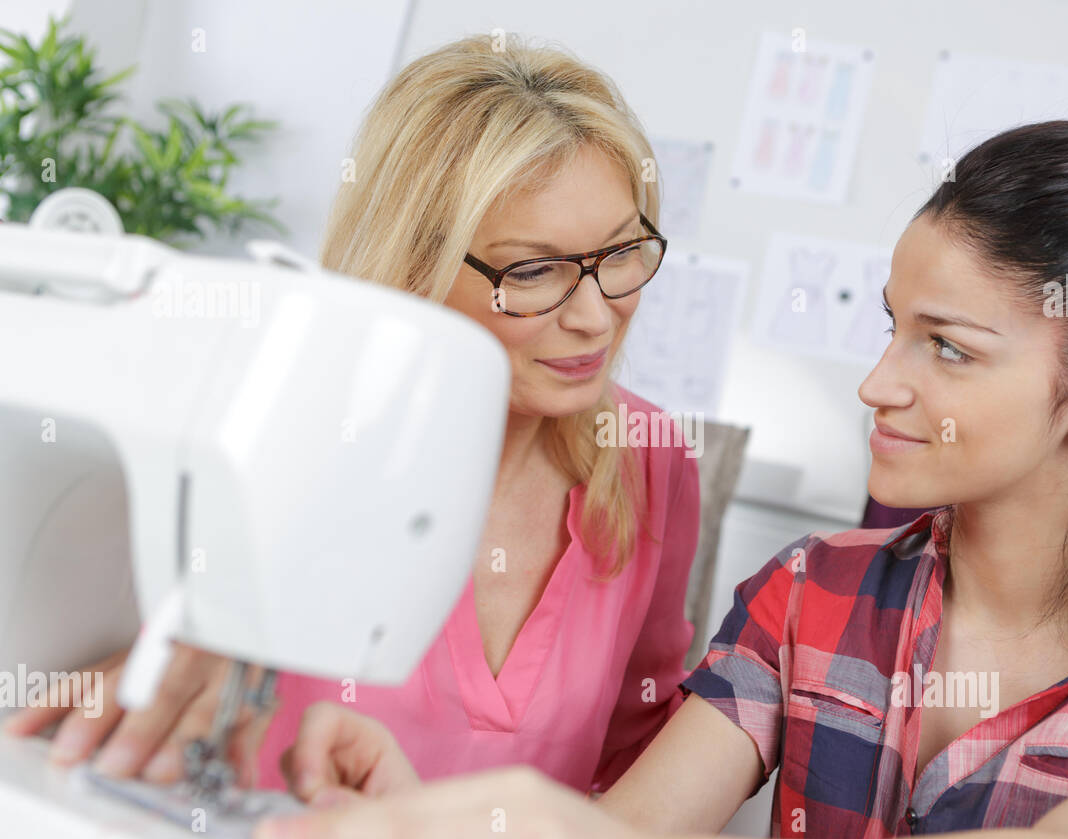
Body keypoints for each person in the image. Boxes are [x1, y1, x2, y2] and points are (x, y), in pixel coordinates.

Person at [252, 121, 1068, 839]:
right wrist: (436, 829)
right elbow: (623, 837)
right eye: (892, 325)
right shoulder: (806, 596)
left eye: (946, 346)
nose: (877, 382)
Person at [5, 34, 700, 799]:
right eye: (534, 271)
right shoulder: (281, 438)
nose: (597, 319)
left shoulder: (649, 454)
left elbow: (639, 754)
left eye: (623, 252)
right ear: (415, 264)